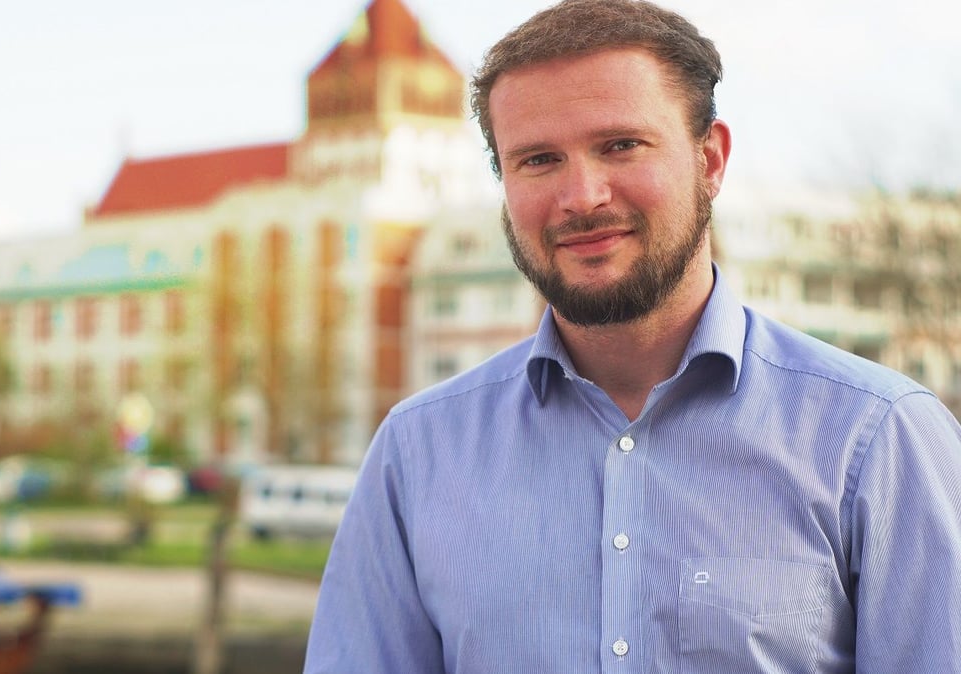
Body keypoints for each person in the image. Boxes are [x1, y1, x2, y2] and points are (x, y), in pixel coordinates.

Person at [303, 0, 961, 671]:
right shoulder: (417, 454)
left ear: (711, 160)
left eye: (620, 145)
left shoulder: (878, 441)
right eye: (538, 159)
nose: (582, 196)